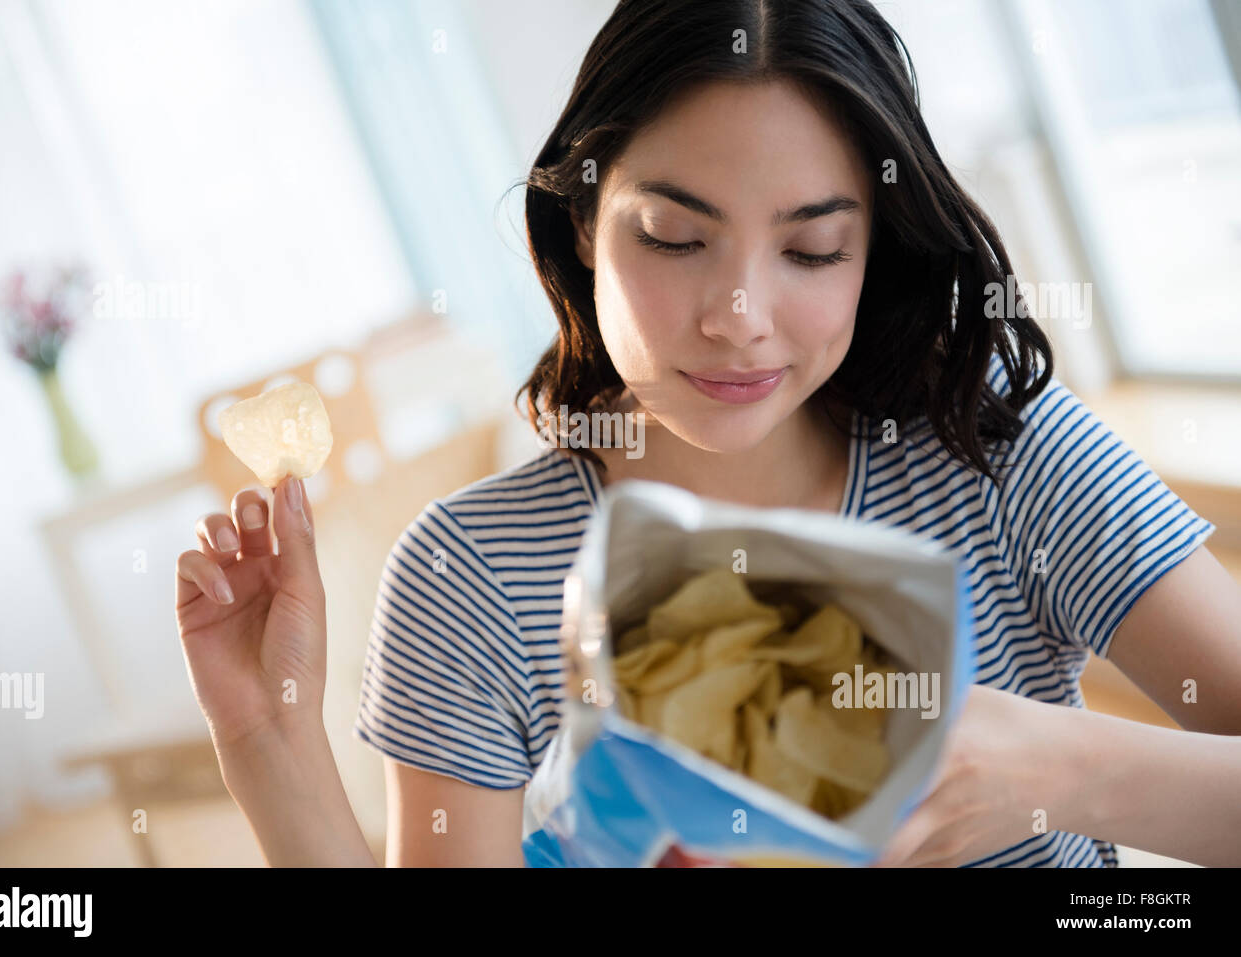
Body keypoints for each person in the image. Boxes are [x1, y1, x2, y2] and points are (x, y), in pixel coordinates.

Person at [175, 0, 1241, 867]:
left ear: (876, 251)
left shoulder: (996, 448)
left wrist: (1065, 773)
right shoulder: (474, 575)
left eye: (813, 250)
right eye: (676, 238)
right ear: (584, 225)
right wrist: (266, 744)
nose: (738, 315)